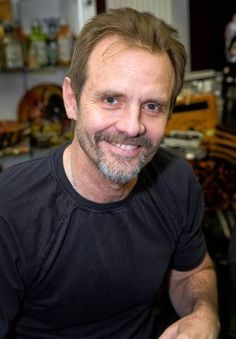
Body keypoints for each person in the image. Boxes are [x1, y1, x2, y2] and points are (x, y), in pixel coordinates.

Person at [0, 7, 220, 339]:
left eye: (152, 106)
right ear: (71, 100)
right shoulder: (11, 210)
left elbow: (193, 272)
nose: (133, 126)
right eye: (111, 99)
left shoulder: (176, 180)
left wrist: (204, 313)